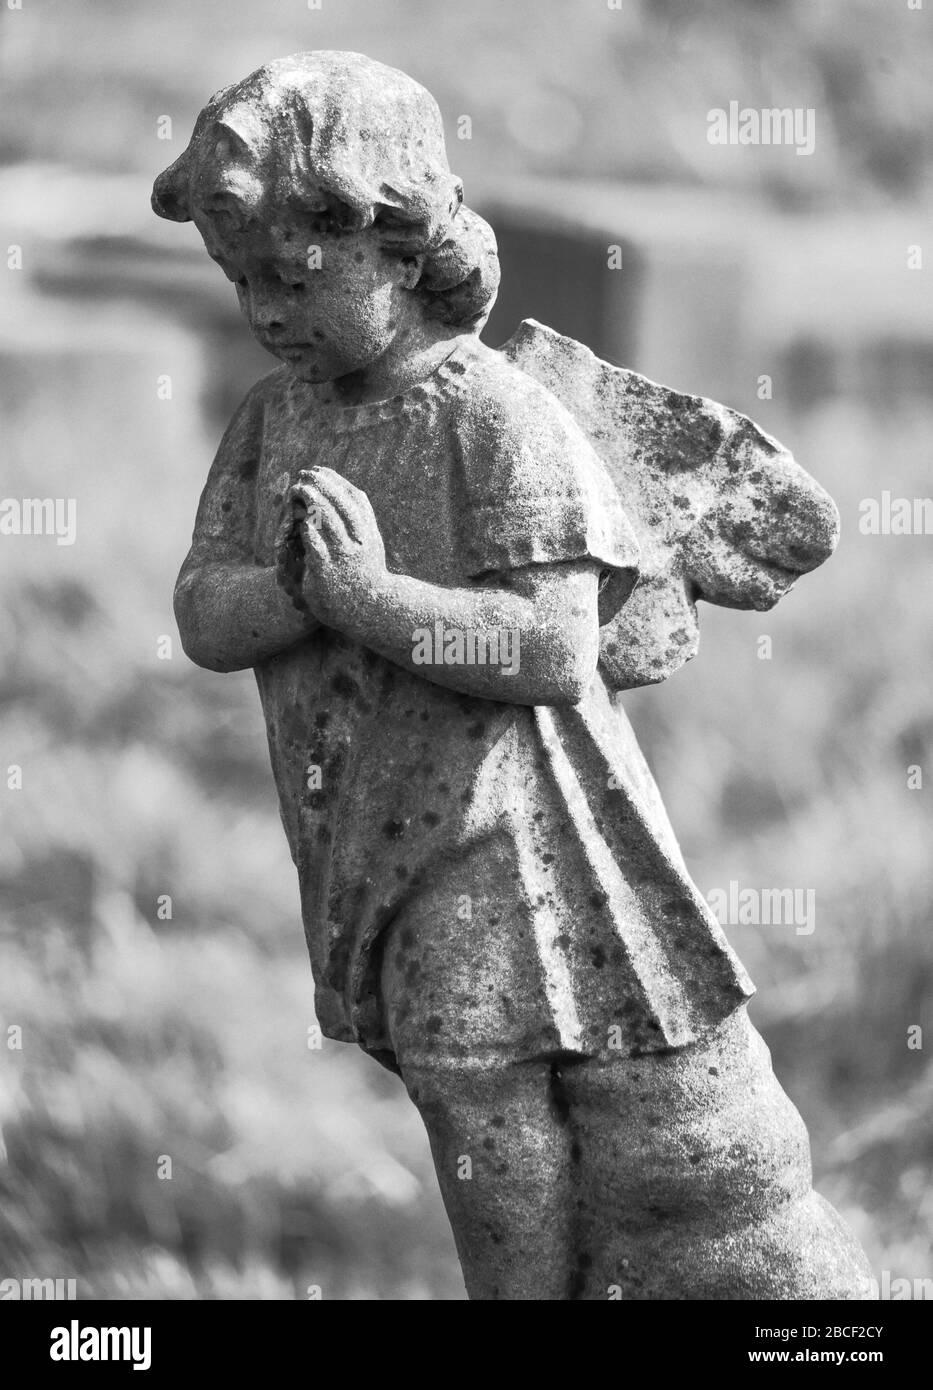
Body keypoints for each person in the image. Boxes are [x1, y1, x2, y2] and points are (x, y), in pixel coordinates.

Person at [153, 50, 870, 1299]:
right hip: (365, 819)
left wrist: (370, 601)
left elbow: (547, 650)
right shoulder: (275, 419)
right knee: (461, 1096)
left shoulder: (491, 418)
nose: (266, 313)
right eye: (243, 283)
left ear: (398, 244)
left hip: (506, 840)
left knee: (480, 1095)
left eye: (293, 278)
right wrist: (294, 593)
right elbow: (207, 613)